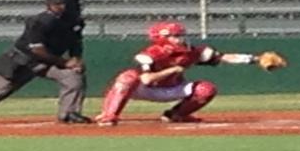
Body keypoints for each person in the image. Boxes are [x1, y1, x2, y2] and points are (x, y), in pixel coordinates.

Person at [94, 21, 278, 125]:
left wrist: (256, 59)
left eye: (180, 35)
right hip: (144, 89)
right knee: (127, 77)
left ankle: (176, 114)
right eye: (175, 36)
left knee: (206, 89)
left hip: (172, 88)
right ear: (162, 38)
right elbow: (147, 79)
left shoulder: (191, 52)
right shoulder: (150, 54)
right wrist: (173, 69)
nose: (180, 39)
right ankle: (109, 115)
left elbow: (224, 57)